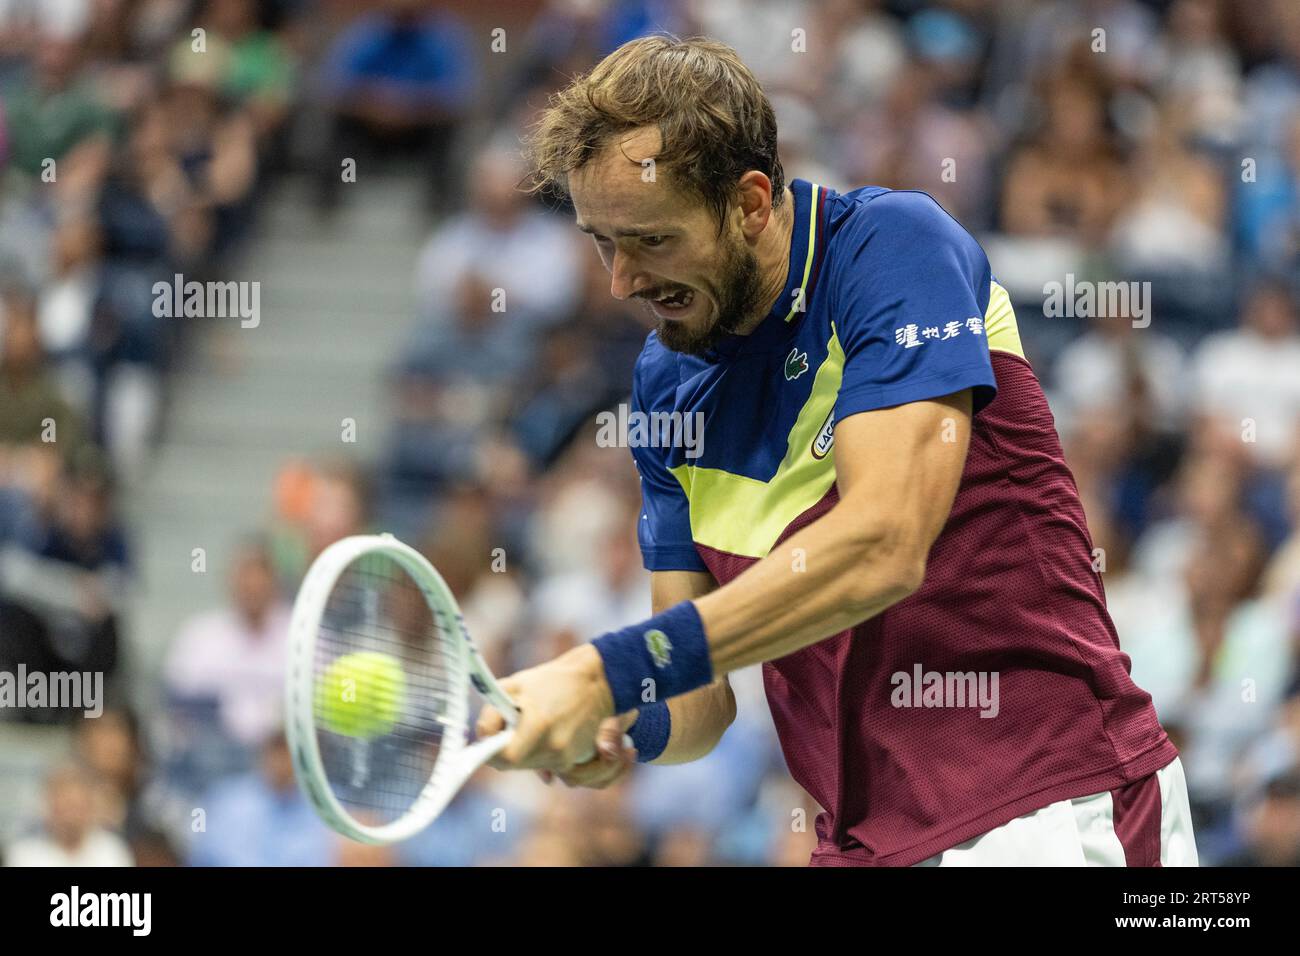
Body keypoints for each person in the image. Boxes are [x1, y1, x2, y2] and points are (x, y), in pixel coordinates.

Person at [476, 35, 1197, 867]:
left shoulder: (891, 250)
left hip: (1046, 806)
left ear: (750, 202)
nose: (622, 281)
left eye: (652, 240)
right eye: (604, 242)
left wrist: (603, 671)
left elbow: (883, 547)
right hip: (860, 844)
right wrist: (615, 715)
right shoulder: (666, 387)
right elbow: (700, 703)